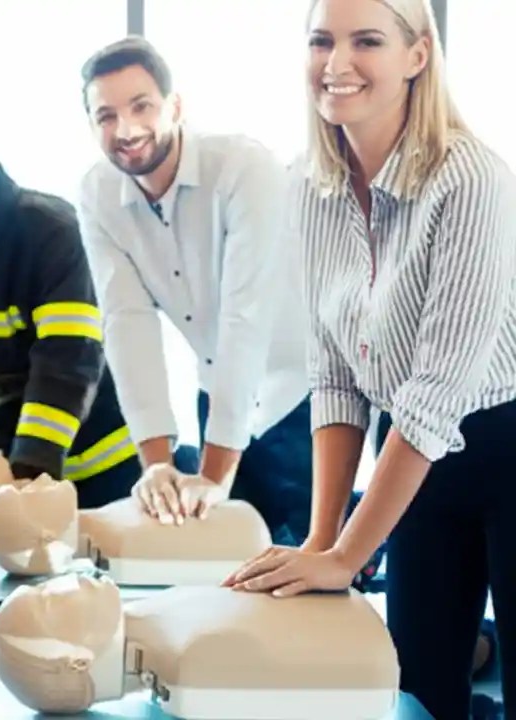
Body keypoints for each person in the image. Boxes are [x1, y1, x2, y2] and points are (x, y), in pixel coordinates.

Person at [227, 0, 515, 717]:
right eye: (321, 40)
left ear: (418, 56)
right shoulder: (311, 186)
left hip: (506, 444)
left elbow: (435, 391)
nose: (338, 62)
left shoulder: (472, 180)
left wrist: (350, 557)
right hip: (418, 460)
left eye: (367, 41)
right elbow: (333, 376)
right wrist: (324, 543)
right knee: (417, 692)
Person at [78, 37, 328, 548]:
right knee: (220, 569)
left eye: (141, 106)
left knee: (306, 577)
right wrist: (157, 468)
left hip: (305, 395)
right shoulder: (97, 193)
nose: (124, 130)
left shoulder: (242, 168)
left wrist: (213, 478)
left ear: (175, 106)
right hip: (218, 391)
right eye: (105, 115)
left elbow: (246, 320)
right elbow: (127, 326)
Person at [0, 114, 141, 509]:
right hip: (13, 457)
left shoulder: (52, 229)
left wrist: (30, 470)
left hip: (102, 457)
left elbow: (68, 357)